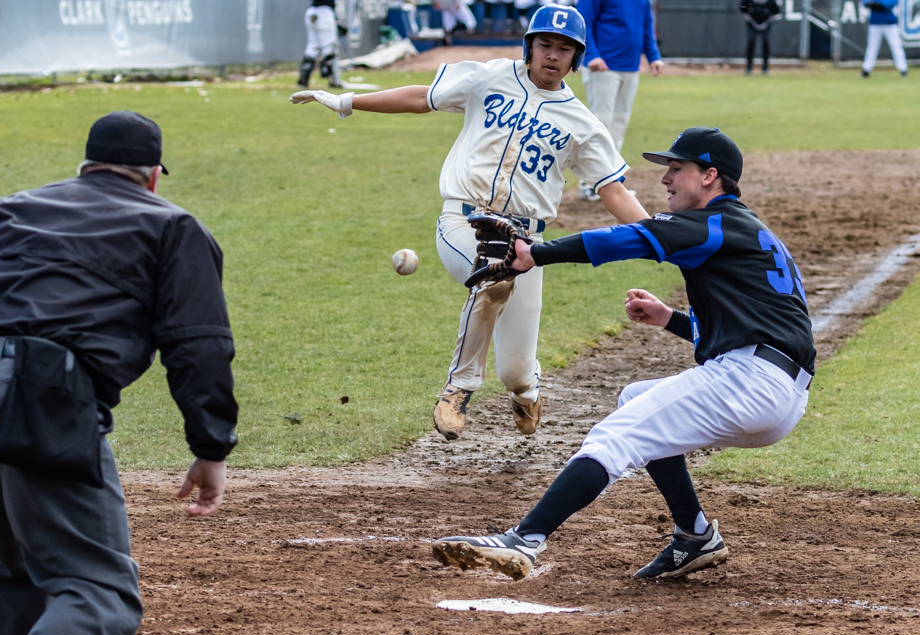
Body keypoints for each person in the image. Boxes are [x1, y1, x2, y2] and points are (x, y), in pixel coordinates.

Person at [432, 127, 815, 581]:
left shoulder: (712, 225)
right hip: (779, 390)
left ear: (711, 175)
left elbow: (623, 239)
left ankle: (525, 539)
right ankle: (694, 536)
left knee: (613, 439)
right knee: (635, 400)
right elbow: (752, 326)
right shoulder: (748, 231)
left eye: (677, 169)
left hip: (749, 384)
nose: (666, 179)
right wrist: (668, 317)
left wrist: (534, 253)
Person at [290, 4, 649, 441]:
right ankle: (458, 389)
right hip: (462, 220)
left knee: (515, 371)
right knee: (491, 274)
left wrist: (661, 234)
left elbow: (613, 190)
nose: (552, 55)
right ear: (528, 47)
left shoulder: (582, 123)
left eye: (564, 48)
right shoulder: (488, 76)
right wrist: (347, 101)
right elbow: (421, 98)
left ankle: (529, 391)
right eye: (545, 44)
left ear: (576, 58)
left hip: (527, 243)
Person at [0, 111, 238, 635]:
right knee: (99, 592)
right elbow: (197, 345)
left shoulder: (7, 208)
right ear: (153, 176)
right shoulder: (173, 226)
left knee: (11, 575)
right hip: (44, 397)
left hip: (20, 385)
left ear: (83, 167)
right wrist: (211, 445)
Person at [576, 0, 664, 201]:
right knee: (601, 125)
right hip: (603, 65)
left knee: (618, 126)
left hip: (630, 66)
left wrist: (653, 56)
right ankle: (590, 183)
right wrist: (592, 55)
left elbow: (646, 23)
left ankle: (609, 182)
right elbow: (584, 22)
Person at [299, 0, 346, 89]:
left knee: (312, 47)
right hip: (325, 12)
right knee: (330, 48)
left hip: (311, 12)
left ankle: (303, 79)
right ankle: (334, 81)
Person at [861, 0, 908, 77]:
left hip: (889, 23)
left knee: (896, 45)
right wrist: (873, 4)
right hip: (875, 23)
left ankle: (903, 68)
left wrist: (879, 4)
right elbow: (865, 2)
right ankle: (866, 69)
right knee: (872, 47)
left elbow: (890, 4)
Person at [740, 0, 781, 75]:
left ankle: (765, 69)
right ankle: (749, 68)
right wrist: (752, 21)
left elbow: (776, 13)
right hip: (751, 25)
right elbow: (743, 9)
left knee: (766, 42)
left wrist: (765, 23)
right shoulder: (748, 2)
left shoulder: (771, 2)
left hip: (766, 24)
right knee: (751, 41)